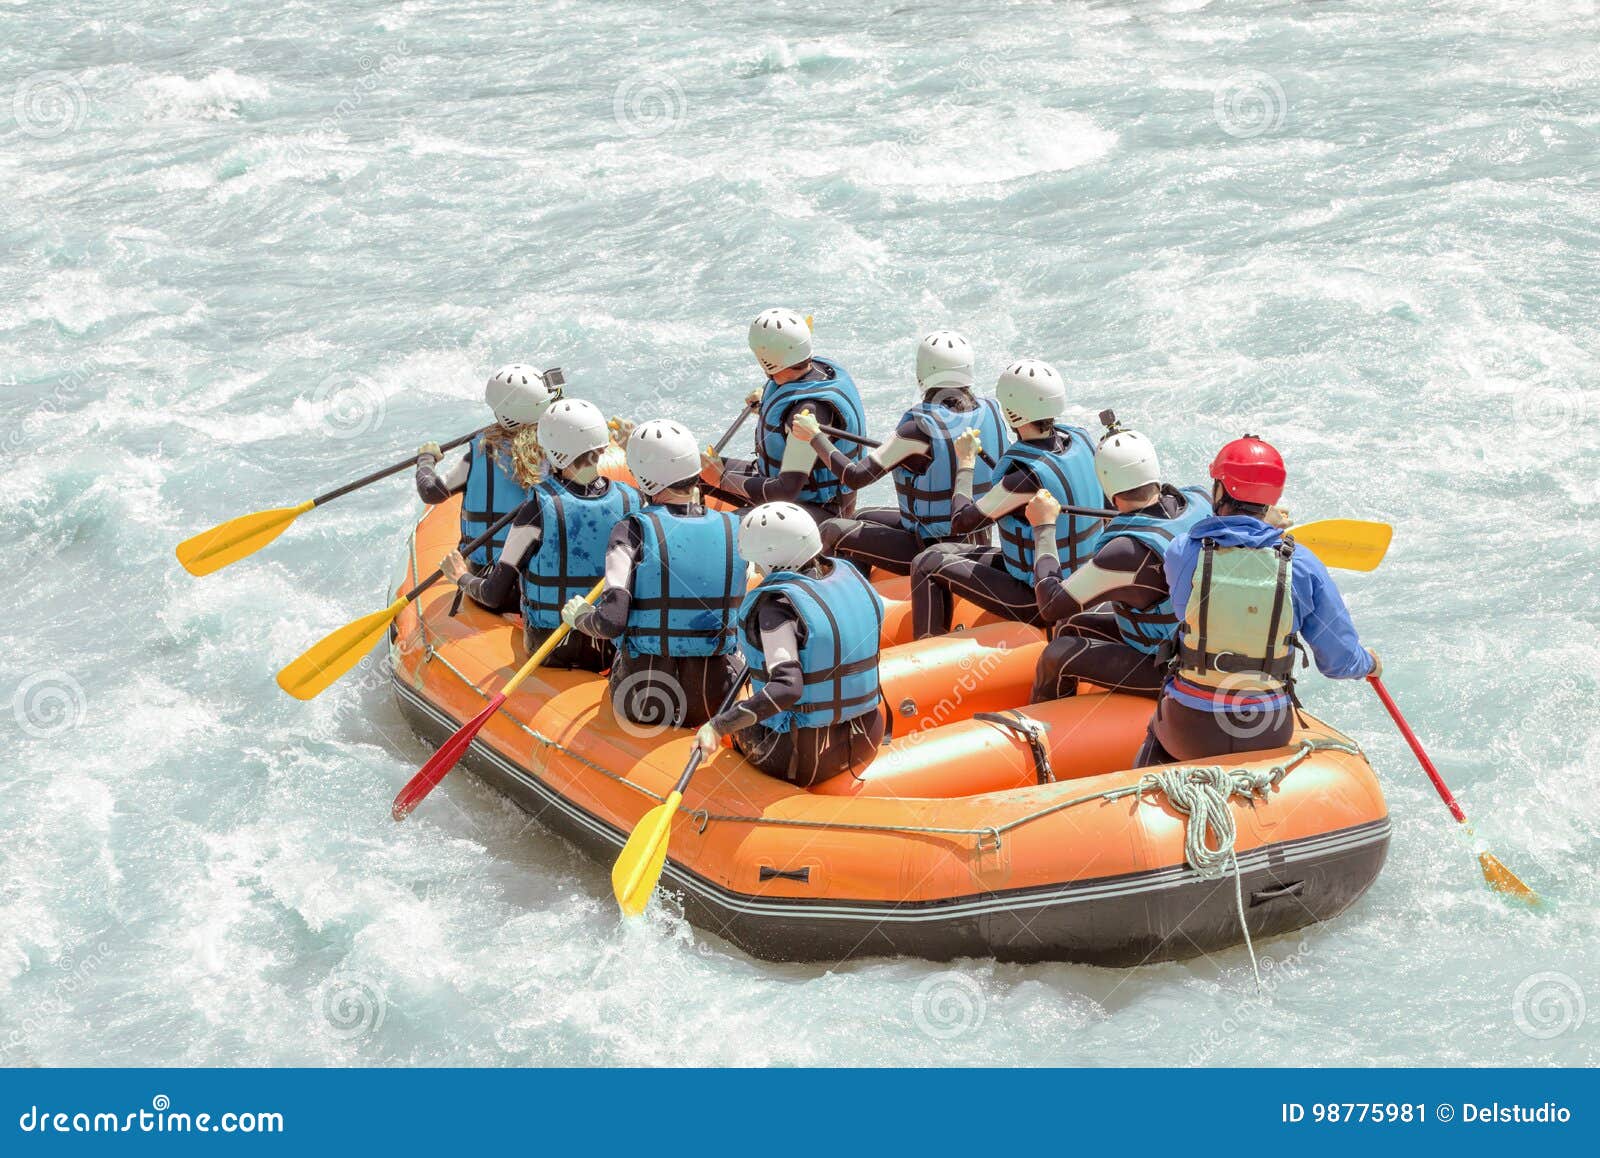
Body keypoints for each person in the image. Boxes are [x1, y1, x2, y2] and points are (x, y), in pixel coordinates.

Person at [1135, 435, 1380, 766]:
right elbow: (1338, 662)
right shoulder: (1303, 565)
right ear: (1272, 498)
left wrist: (1261, 530)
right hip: (1267, 728)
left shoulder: (1183, 551)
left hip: (1190, 728)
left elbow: (1185, 608)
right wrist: (1368, 663)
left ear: (1220, 491)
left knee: (1155, 736)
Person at [560, 419, 747, 729]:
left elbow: (610, 622)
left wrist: (580, 617)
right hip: (713, 700)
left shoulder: (630, 531)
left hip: (644, 700)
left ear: (645, 479)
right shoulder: (736, 529)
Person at [693, 502, 886, 788]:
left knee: (732, 725)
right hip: (869, 735)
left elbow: (787, 688)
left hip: (805, 758)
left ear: (772, 558)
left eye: (757, 561)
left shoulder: (776, 606)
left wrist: (718, 725)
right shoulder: (850, 575)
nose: (756, 568)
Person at [909, 359, 1104, 638]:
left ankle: (926, 651)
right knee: (944, 554)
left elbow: (961, 522)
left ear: (1012, 412)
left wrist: (966, 461)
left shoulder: (1024, 477)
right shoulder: (1082, 440)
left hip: (1038, 596)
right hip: (1083, 582)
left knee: (926, 563)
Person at [793, 331, 1013, 578]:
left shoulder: (918, 429)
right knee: (861, 516)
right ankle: (864, 579)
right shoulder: (992, 413)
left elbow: (854, 477)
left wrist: (814, 436)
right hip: (978, 537)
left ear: (923, 374)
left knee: (832, 528)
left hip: (932, 548)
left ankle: (846, 592)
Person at [441, 399, 641, 671]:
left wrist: (460, 576)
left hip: (552, 649)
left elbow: (493, 594)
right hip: (610, 648)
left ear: (551, 451)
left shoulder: (538, 507)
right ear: (603, 447)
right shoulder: (633, 500)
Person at [1027, 425, 1212, 702]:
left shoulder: (1126, 551)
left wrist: (1043, 526)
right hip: (1200, 649)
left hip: (1177, 670)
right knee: (1072, 623)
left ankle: (1039, 734)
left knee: (1057, 654)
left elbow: (1050, 605)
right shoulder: (1200, 499)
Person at [698, 308, 870, 522]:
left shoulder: (806, 414)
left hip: (816, 511)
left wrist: (722, 479)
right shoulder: (819, 369)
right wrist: (766, 403)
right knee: (693, 470)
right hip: (779, 485)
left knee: (725, 517)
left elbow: (786, 490)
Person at [416, 363, 563, 612]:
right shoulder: (559, 454)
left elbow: (432, 492)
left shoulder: (480, 452)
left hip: (484, 581)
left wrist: (426, 460)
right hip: (539, 588)